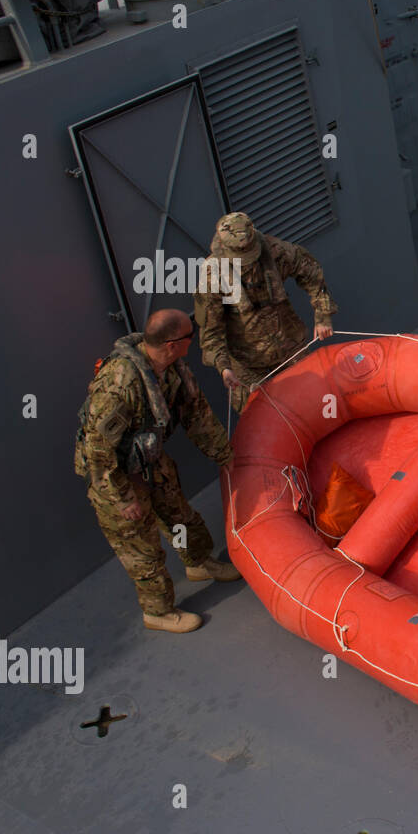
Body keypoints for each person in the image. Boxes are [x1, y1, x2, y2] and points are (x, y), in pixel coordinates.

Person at [73, 309, 242, 634]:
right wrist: (123, 499)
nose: (193, 341)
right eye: (189, 336)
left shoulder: (173, 369)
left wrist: (223, 453)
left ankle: (198, 561)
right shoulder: (119, 385)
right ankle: (158, 612)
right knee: (142, 549)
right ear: (171, 344)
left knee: (179, 513)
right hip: (113, 477)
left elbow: (197, 413)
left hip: (148, 461)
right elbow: (98, 451)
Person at [192, 211, 337, 412]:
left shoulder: (275, 251)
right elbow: (210, 331)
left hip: (288, 343)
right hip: (247, 362)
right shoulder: (212, 276)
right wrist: (224, 367)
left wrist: (323, 316)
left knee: (317, 399)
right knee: (257, 418)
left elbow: (311, 274)